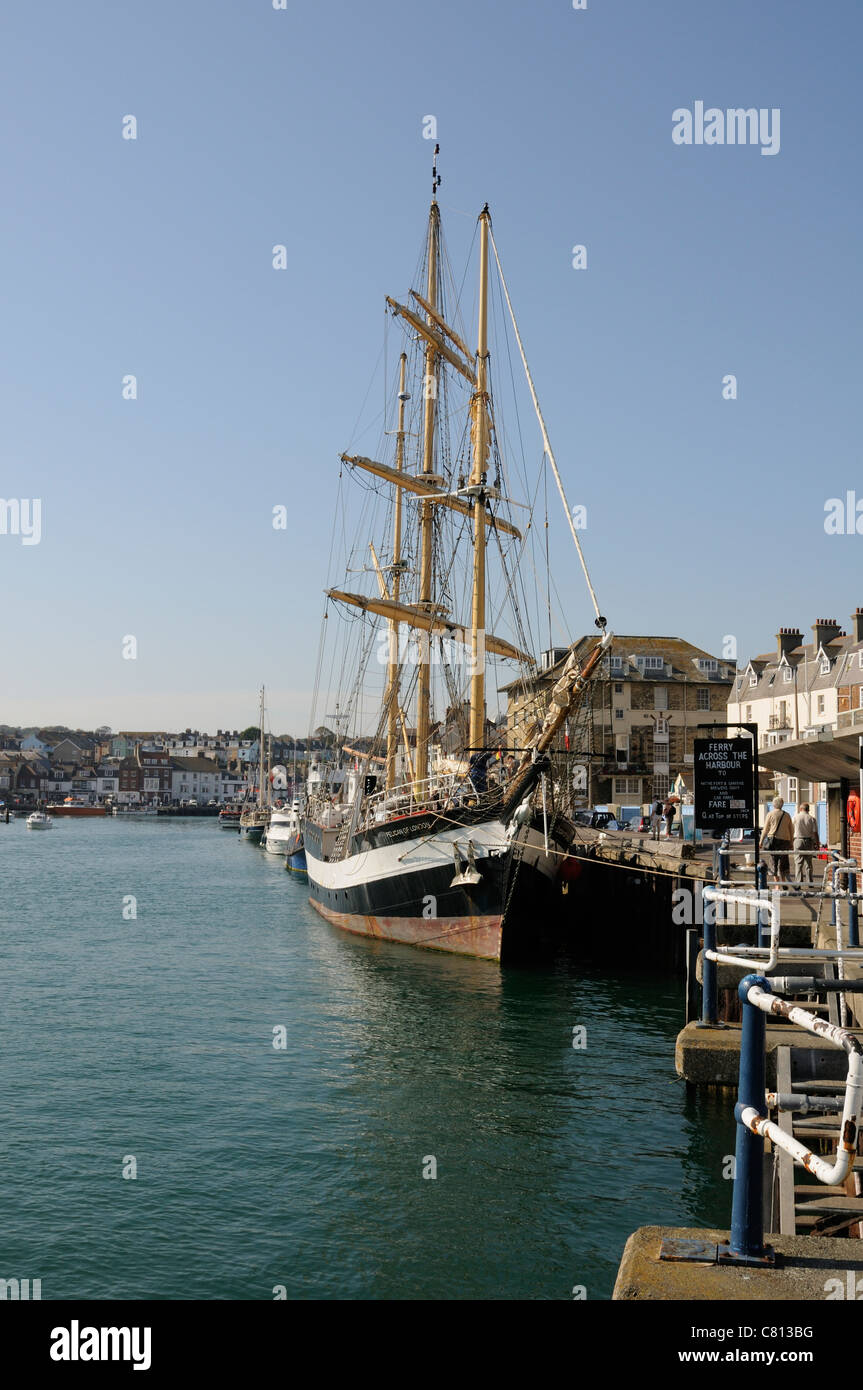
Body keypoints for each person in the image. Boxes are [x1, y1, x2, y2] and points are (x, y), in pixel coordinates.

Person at [761, 795, 794, 884]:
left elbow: (765, 829)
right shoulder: (787, 815)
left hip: (774, 840)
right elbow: (791, 830)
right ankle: (783, 882)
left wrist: (761, 842)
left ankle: (777, 884)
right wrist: (791, 842)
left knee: (773, 861)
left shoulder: (770, 814)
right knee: (783, 861)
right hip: (785, 840)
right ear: (782, 804)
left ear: (773, 804)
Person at [792, 802, 820, 885]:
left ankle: (799, 882)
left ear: (800, 809)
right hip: (808, 841)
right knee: (808, 863)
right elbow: (815, 833)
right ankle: (810, 882)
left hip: (798, 840)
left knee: (798, 863)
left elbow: (791, 829)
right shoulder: (812, 818)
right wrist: (817, 843)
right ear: (808, 809)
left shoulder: (795, 817)